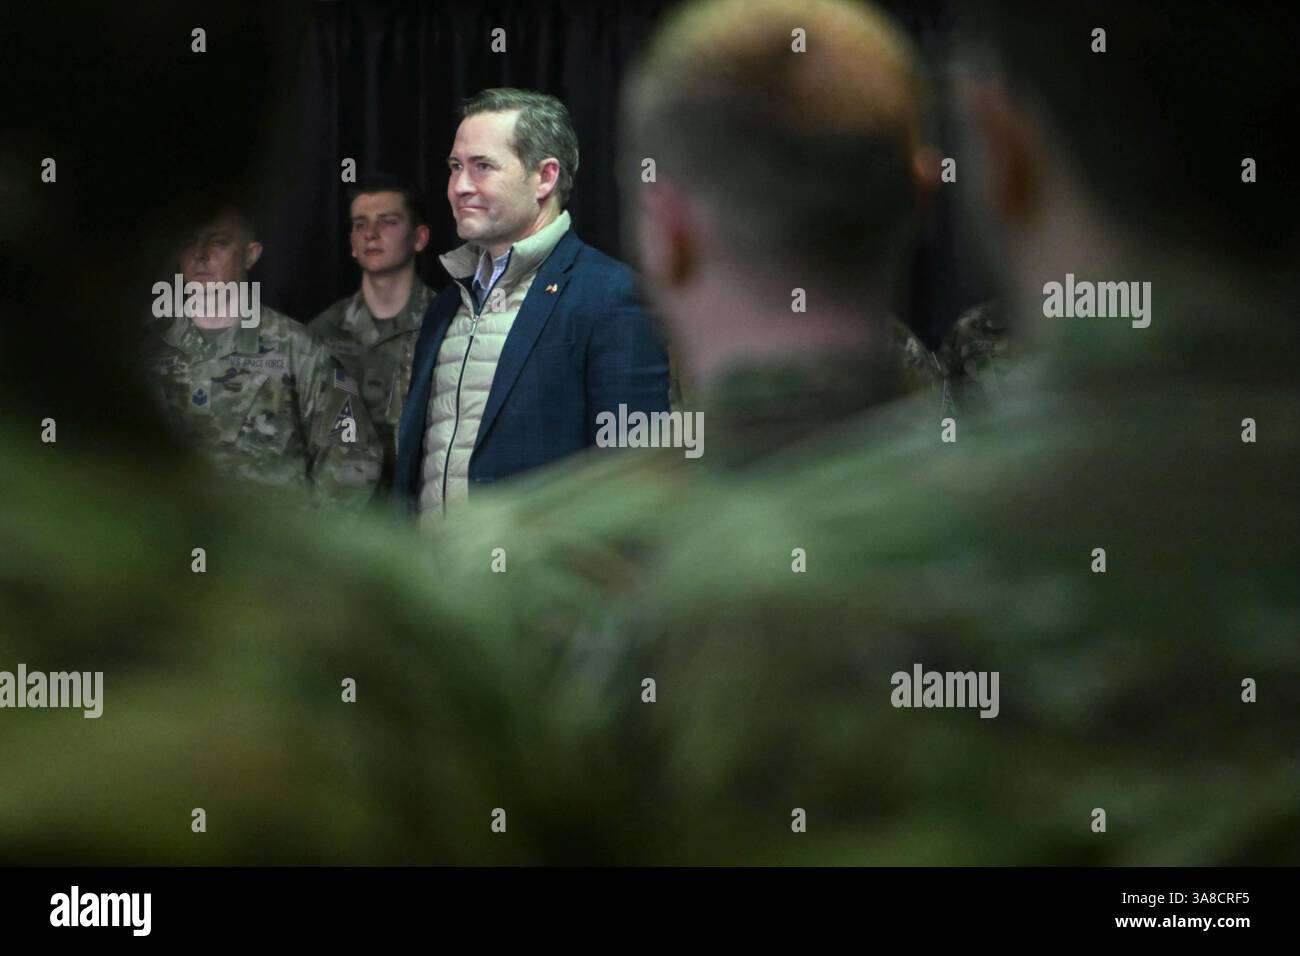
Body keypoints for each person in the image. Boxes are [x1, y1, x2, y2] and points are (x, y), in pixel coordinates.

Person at [392, 88, 671, 524]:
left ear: (545, 177)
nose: (460, 186)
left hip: (535, 587)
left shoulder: (613, 296)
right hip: (430, 585)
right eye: (455, 167)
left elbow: (632, 483)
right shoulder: (446, 306)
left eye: (482, 167)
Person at [151, 204, 383, 510]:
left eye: (218, 242)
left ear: (251, 254)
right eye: (189, 242)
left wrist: (306, 545)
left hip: (265, 551)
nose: (201, 255)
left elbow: (354, 457)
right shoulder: (148, 350)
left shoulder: (297, 348)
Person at [309, 175, 434, 494]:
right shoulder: (321, 333)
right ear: (351, 243)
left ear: (419, 237)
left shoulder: (448, 322)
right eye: (360, 224)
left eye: (388, 222)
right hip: (348, 519)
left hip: (429, 514)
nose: (371, 234)